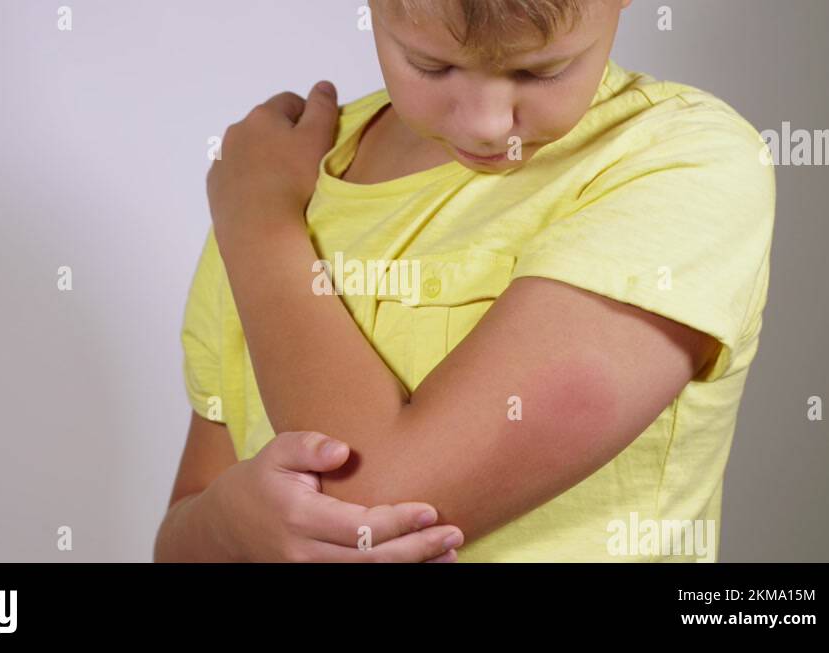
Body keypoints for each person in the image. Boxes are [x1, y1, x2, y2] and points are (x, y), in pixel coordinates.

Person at [154, 0, 776, 562]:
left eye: (540, 71)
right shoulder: (288, 169)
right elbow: (184, 528)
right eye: (431, 65)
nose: (485, 123)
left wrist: (261, 225)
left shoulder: (678, 161)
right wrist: (227, 525)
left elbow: (376, 512)